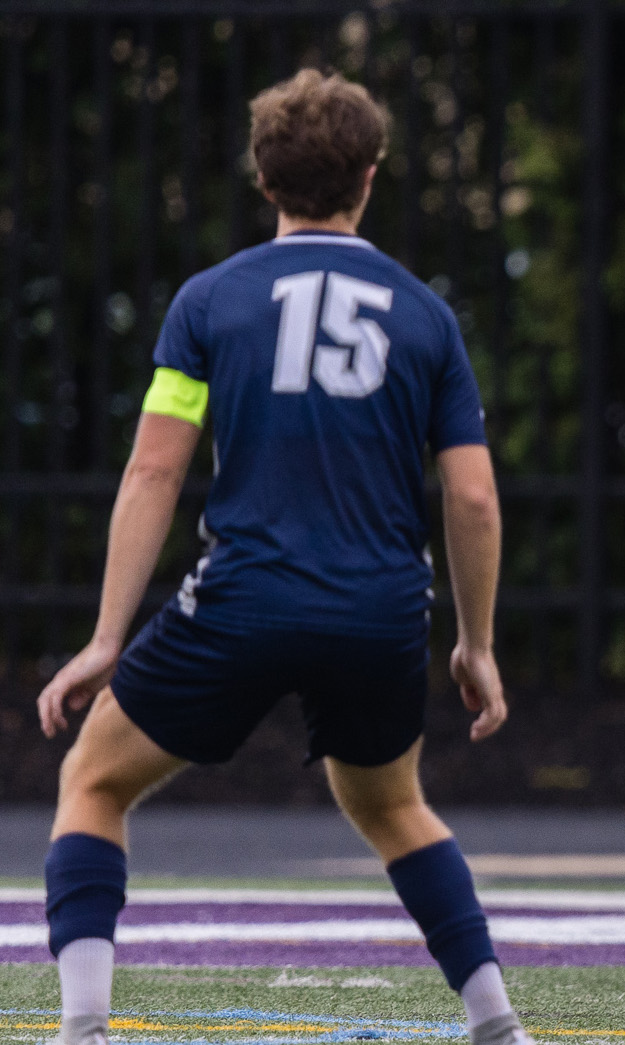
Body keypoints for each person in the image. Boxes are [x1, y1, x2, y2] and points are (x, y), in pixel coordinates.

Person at [34, 69, 529, 1045]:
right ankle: (498, 1022)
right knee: (393, 806)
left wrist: (105, 638)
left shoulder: (208, 302)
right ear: (371, 177)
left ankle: (82, 1030)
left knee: (93, 781)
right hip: (381, 610)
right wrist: (475, 643)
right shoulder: (425, 317)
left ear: (263, 181)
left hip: (244, 601)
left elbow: (154, 470)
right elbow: (472, 496)